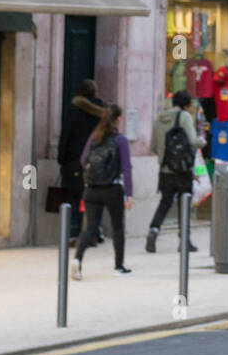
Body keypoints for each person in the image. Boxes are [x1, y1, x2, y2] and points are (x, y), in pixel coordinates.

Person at [73, 103, 134, 279]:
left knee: (90, 228)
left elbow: (83, 160)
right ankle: (118, 266)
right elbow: (126, 168)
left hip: (91, 190)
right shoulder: (120, 140)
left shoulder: (94, 137)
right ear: (118, 119)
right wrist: (129, 194)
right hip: (112, 189)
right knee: (117, 227)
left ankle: (77, 260)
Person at [146, 90, 206, 253]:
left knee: (165, 202)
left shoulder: (160, 119)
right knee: (184, 202)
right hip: (182, 170)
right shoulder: (184, 117)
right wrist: (202, 142)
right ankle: (184, 240)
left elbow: (153, 147)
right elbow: (193, 141)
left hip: (165, 169)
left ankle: (154, 230)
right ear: (186, 105)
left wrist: (166, 158)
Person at [57, 79, 107, 243]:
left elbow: (66, 134)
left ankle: (80, 233)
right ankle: (95, 231)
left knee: (77, 197)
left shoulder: (74, 110)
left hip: (75, 161)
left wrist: (62, 159)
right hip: (99, 162)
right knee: (96, 198)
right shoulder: (104, 112)